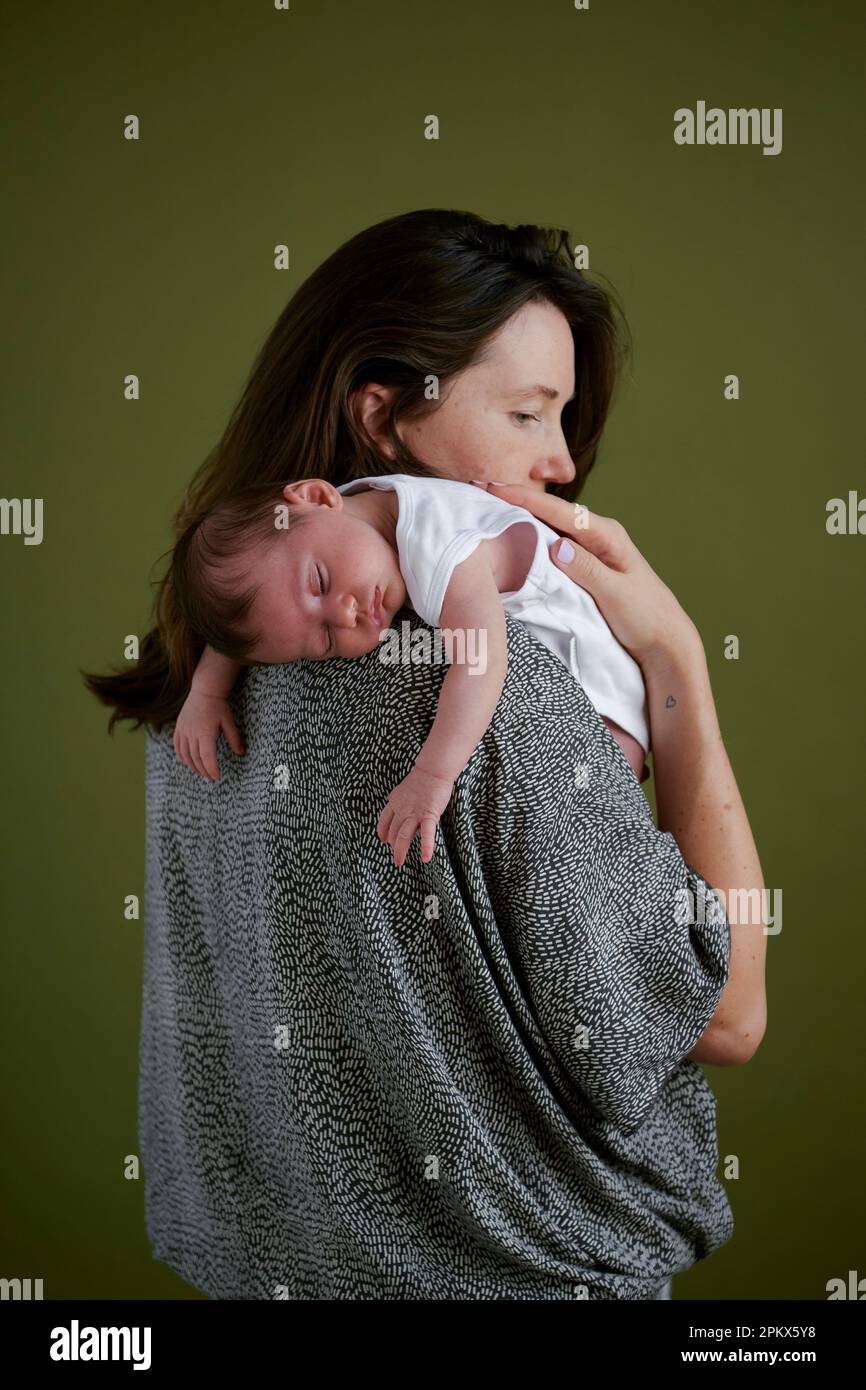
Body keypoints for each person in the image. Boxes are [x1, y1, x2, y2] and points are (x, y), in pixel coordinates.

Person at [84, 209, 767, 1299]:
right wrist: (677, 664)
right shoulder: (487, 689)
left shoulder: (201, 687)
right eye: (525, 412)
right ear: (386, 416)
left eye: (565, 417)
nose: (559, 458)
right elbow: (722, 1014)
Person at [167, 470, 652, 868]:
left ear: (316, 495)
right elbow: (267, 610)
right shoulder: (350, 514)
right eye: (325, 641)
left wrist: (433, 776)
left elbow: (481, 659)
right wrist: (208, 689)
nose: (344, 613)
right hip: (596, 682)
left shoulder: (436, 544)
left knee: (590, 842)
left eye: (321, 581)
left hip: (604, 692)